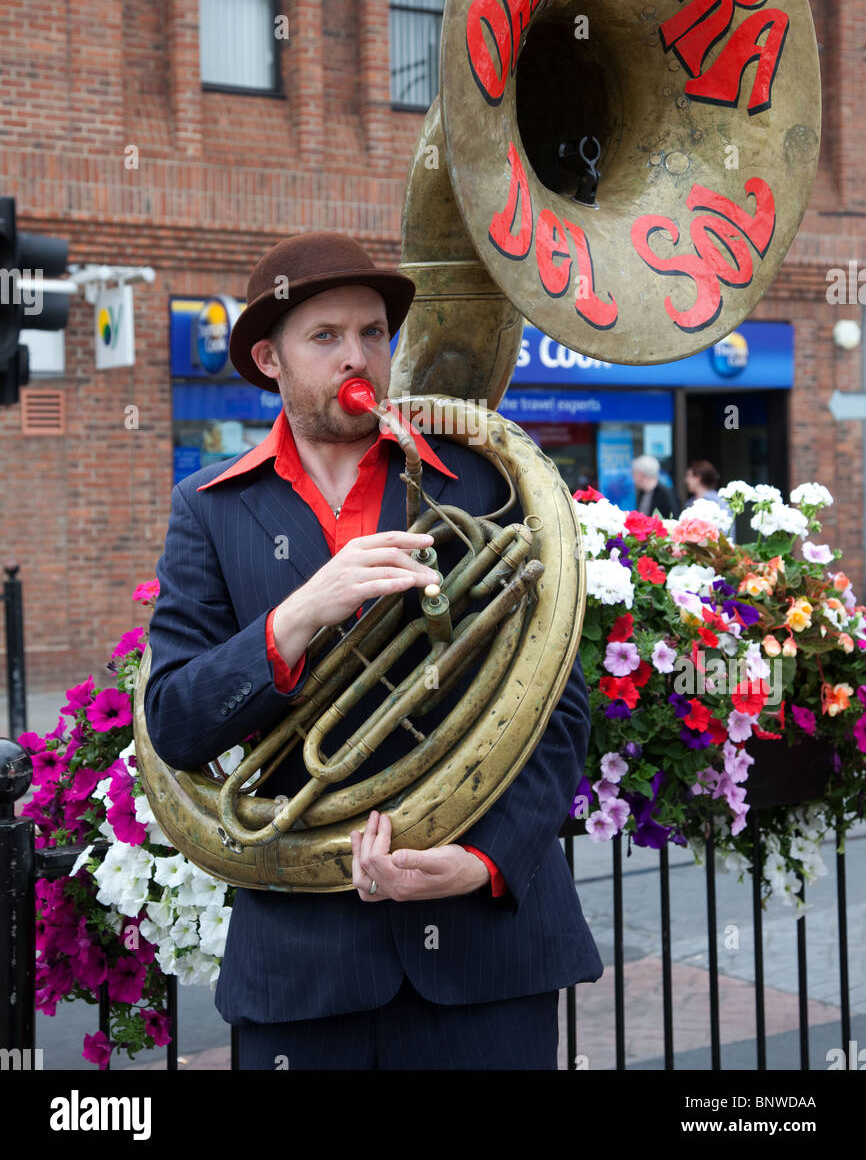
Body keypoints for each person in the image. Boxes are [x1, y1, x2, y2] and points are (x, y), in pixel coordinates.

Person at [144, 232, 603, 1071]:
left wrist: (480, 859)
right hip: (306, 973)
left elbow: (557, 704)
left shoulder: (482, 480)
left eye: (372, 334)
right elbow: (175, 721)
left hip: (486, 957)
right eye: (325, 337)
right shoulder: (208, 510)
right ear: (267, 359)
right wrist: (299, 616)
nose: (357, 355)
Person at [683, 459, 734, 536]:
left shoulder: (719, 502)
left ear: (698, 478)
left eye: (689, 476)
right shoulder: (690, 502)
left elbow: (728, 533)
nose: (686, 480)